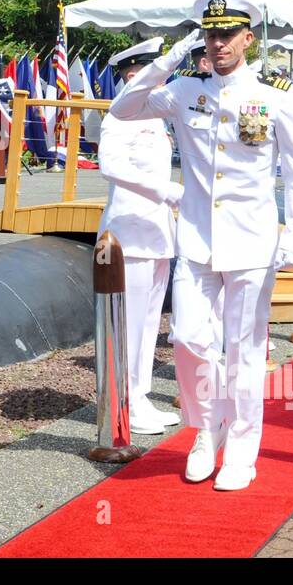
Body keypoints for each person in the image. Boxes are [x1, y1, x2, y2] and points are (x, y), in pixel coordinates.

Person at [109, 0, 293, 491]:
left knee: (245, 350)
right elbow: (123, 107)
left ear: (249, 38)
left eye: (228, 35)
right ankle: (205, 428)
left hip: (252, 241)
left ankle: (242, 449)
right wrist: (169, 58)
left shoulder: (276, 94)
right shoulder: (183, 88)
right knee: (187, 340)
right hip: (198, 239)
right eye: (210, 34)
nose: (218, 44)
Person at [96, 33, 197, 435]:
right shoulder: (119, 115)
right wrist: (167, 192)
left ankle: (139, 396)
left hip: (155, 230)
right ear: (134, 74)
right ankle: (124, 399)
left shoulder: (151, 116)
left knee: (149, 320)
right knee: (131, 322)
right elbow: (110, 165)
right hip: (130, 230)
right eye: (154, 74)